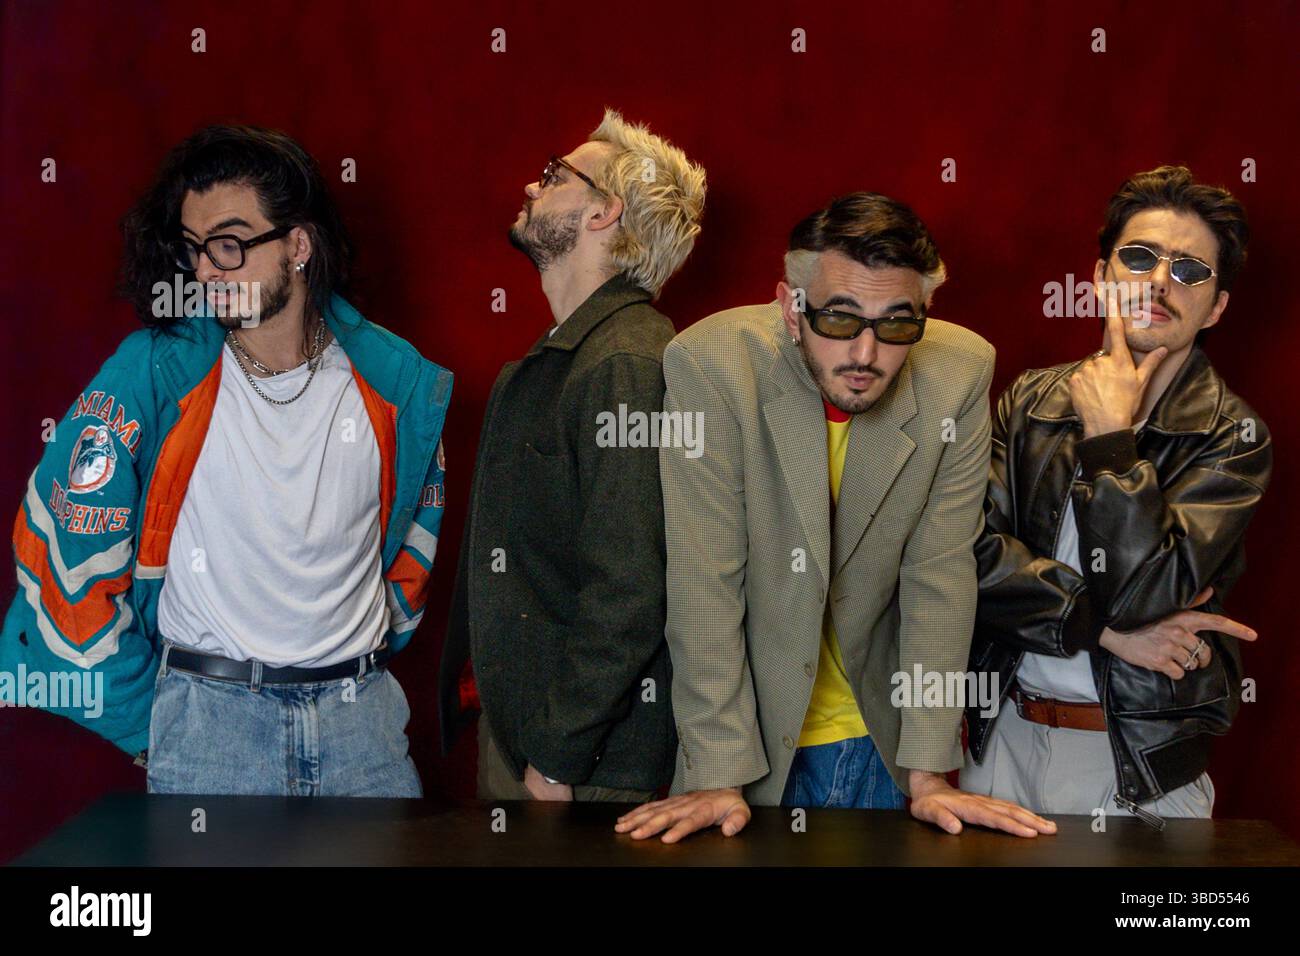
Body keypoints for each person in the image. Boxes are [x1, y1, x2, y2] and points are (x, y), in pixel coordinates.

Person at [2, 125, 452, 796]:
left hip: (365, 736)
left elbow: (412, 555)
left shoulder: (398, 383)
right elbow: (61, 552)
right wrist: (152, 726)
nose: (208, 269)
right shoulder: (153, 375)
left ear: (297, 245)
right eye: (194, 249)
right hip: (212, 730)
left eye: (231, 244)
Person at [618, 193, 1055, 841]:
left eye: (898, 323)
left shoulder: (960, 373)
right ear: (792, 310)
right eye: (841, 319)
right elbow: (704, 582)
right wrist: (717, 772)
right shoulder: (711, 365)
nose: (867, 354)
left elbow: (939, 576)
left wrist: (931, 768)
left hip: (885, 743)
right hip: (751, 749)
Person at [963, 166, 1270, 823]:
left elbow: (1146, 597)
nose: (1159, 282)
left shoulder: (1234, 437)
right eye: (1139, 258)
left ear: (1216, 306)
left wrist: (1110, 440)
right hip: (1002, 749)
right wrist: (1102, 631)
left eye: (1190, 270)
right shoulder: (1030, 401)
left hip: (1141, 773)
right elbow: (970, 563)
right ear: (1102, 276)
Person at [438, 109, 706, 802]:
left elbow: (630, 591)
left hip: (583, 770)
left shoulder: (625, 363)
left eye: (557, 174)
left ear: (604, 213)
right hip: (534, 741)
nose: (533, 184)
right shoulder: (581, 354)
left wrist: (555, 758)